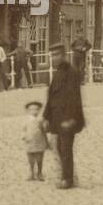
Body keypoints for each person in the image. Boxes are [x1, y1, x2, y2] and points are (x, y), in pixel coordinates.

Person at [42, 42, 86, 189]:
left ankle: (68, 180)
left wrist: (71, 119)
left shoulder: (71, 73)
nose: (53, 58)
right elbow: (52, 96)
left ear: (63, 55)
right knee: (60, 148)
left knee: (66, 148)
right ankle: (68, 176)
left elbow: (75, 98)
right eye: (52, 55)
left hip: (67, 119)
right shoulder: (58, 72)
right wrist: (46, 117)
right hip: (57, 117)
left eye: (56, 55)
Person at [22, 100, 48, 181]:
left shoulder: (41, 120)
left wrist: (46, 126)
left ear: (39, 110)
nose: (34, 111)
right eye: (31, 109)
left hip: (39, 140)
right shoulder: (26, 120)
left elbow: (45, 130)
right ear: (28, 111)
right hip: (29, 141)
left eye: (36, 109)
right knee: (31, 159)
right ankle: (31, 173)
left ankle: (39, 173)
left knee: (39, 158)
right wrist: (23, 136)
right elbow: (23, 129)